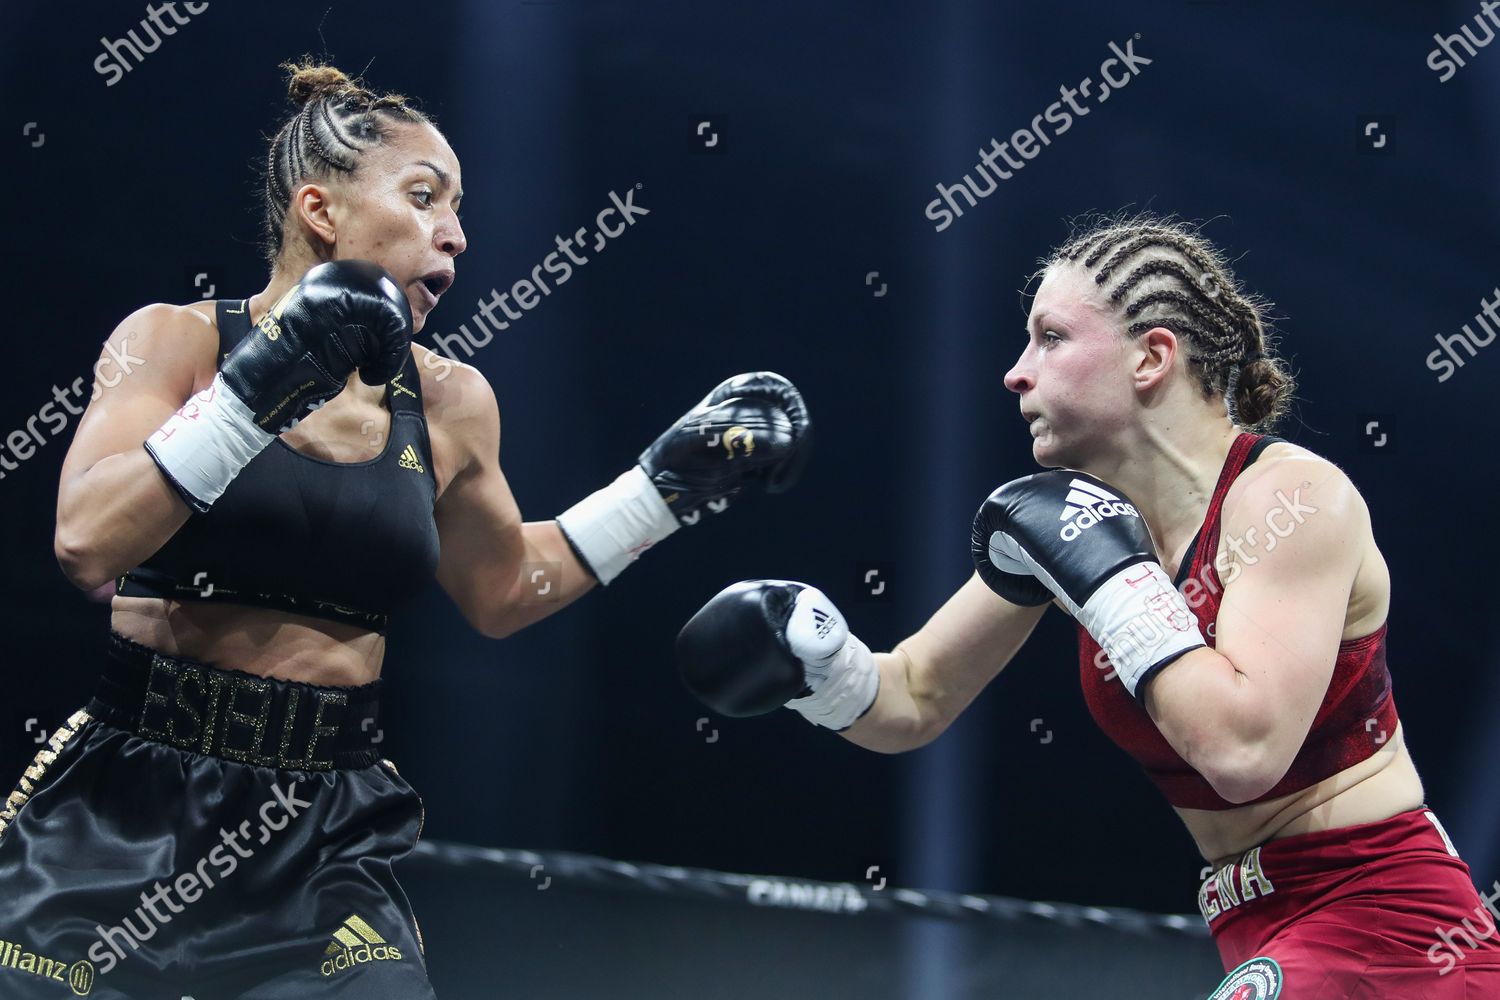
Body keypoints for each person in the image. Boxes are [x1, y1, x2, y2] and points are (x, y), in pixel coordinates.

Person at [0, 61, 810, 999]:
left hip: (319, 832)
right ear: (321, 210)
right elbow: (87, 539)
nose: (456, 235)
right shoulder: (176, 340)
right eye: (424, 198)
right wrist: (261, 384)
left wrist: (666, 484)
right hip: (120, 809)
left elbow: (506, 590)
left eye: (459, 208)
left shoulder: (454, 402)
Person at [675, 213, 1500, 998]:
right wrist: (818, 662)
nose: (1016, 370)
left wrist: (1110, 580)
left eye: (1051, 337)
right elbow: (914, 698)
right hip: (1263, 928)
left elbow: (1243, 751)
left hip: (1391, 931)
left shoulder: (1292, 499)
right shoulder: (1086, 521)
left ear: (1152, 358)